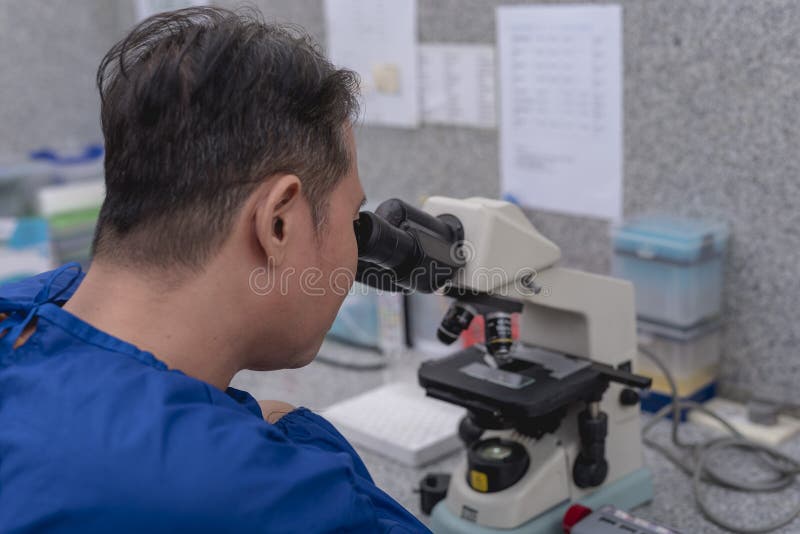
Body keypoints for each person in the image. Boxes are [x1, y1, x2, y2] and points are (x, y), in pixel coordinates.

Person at [0, 7, 429, 533]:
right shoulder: (274, 498)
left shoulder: (25, 311)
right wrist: (293, 433)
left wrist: (249, 420)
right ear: (278, 223)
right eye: (351, 219)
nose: (353, 248)